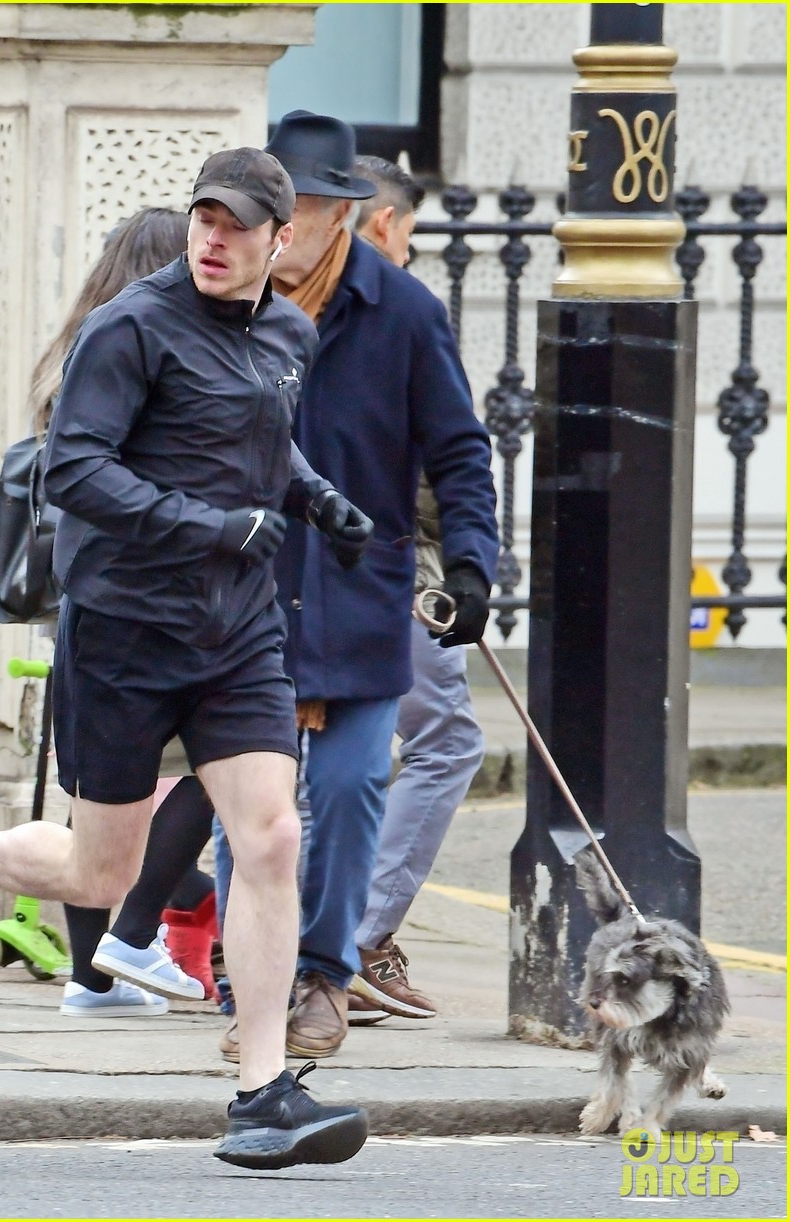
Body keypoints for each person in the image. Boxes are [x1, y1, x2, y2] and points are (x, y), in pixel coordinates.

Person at [0, 146, 373, 1168]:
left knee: (271, 834)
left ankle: (262, 1094)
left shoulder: (288, 331)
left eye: (237, 226)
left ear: (281, 240)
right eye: (204, 219)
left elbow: (261, 434)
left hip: (237, 634)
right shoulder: (130, 328)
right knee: (103, 871)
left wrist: (315, 496)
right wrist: (211, 526)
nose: (213, 239)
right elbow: (74, 470)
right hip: (124, 633)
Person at [214, 112, 499, 1062]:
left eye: (301, 208)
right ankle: (252, 985)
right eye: (271, 207)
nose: (280, 227)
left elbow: (458, 451)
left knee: (346, 790)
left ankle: (325, 977)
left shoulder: (405, 312)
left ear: (345, 214)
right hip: (241, 587)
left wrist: (472, 564)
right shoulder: (214, 302)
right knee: (250, 808)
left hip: (358, 589)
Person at [27, 206, 219, 1018]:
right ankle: (136, 930)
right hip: (161, 596)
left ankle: (91, 977)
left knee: (97, 791)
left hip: (84, 595)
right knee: (225, 761)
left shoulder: (71, 351)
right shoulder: (162, 354)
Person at [346, 155, 486, 1024]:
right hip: (387, 570)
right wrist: (458, 565)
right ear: (386, 225)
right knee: (446, 741)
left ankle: (293, 947)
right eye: (409, 233)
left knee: (300, 760)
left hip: (310, 572)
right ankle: (355, 935)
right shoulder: (403, 314)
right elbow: (445, 461)